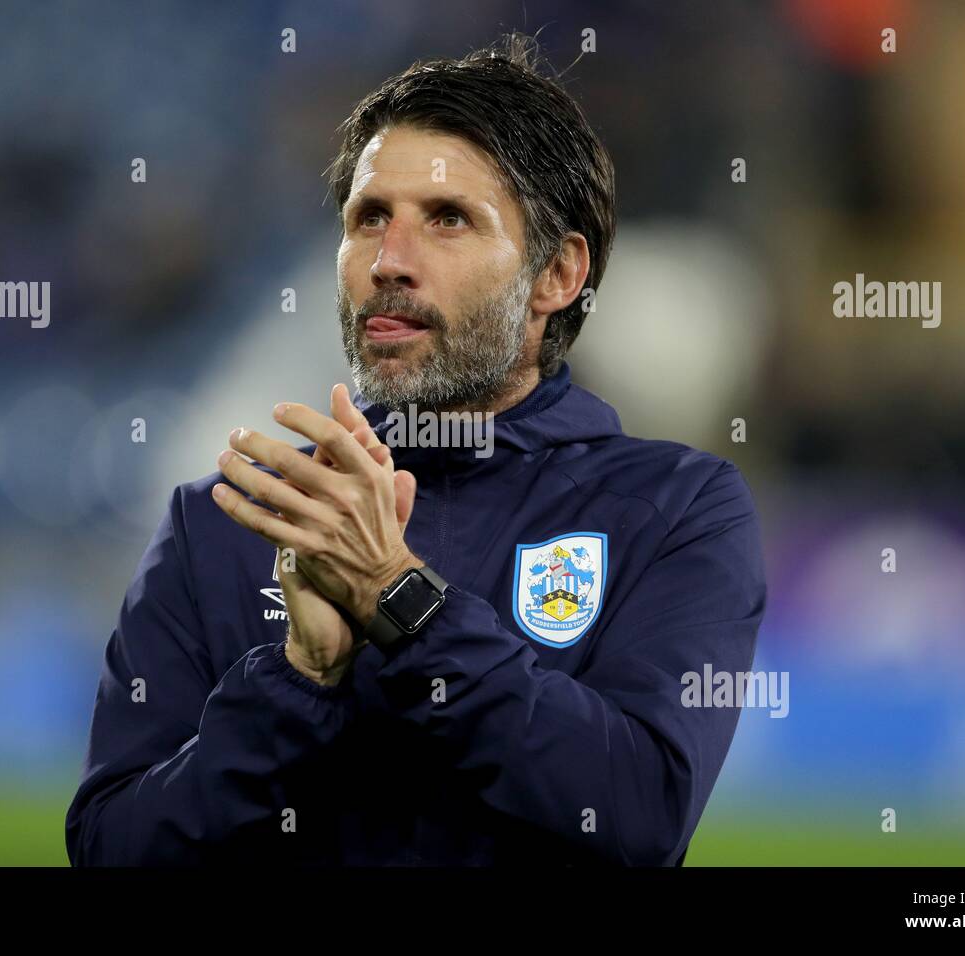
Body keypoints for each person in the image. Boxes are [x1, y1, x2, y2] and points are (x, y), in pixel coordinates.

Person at [66, 32, 766, 866]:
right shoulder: (226, 519)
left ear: (556, 276)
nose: (390, 262)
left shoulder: (675, 511)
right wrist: (297, 682)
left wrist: (397, 599)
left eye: (447, 220)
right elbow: (113, 850)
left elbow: (636, 815)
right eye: (369, 220)